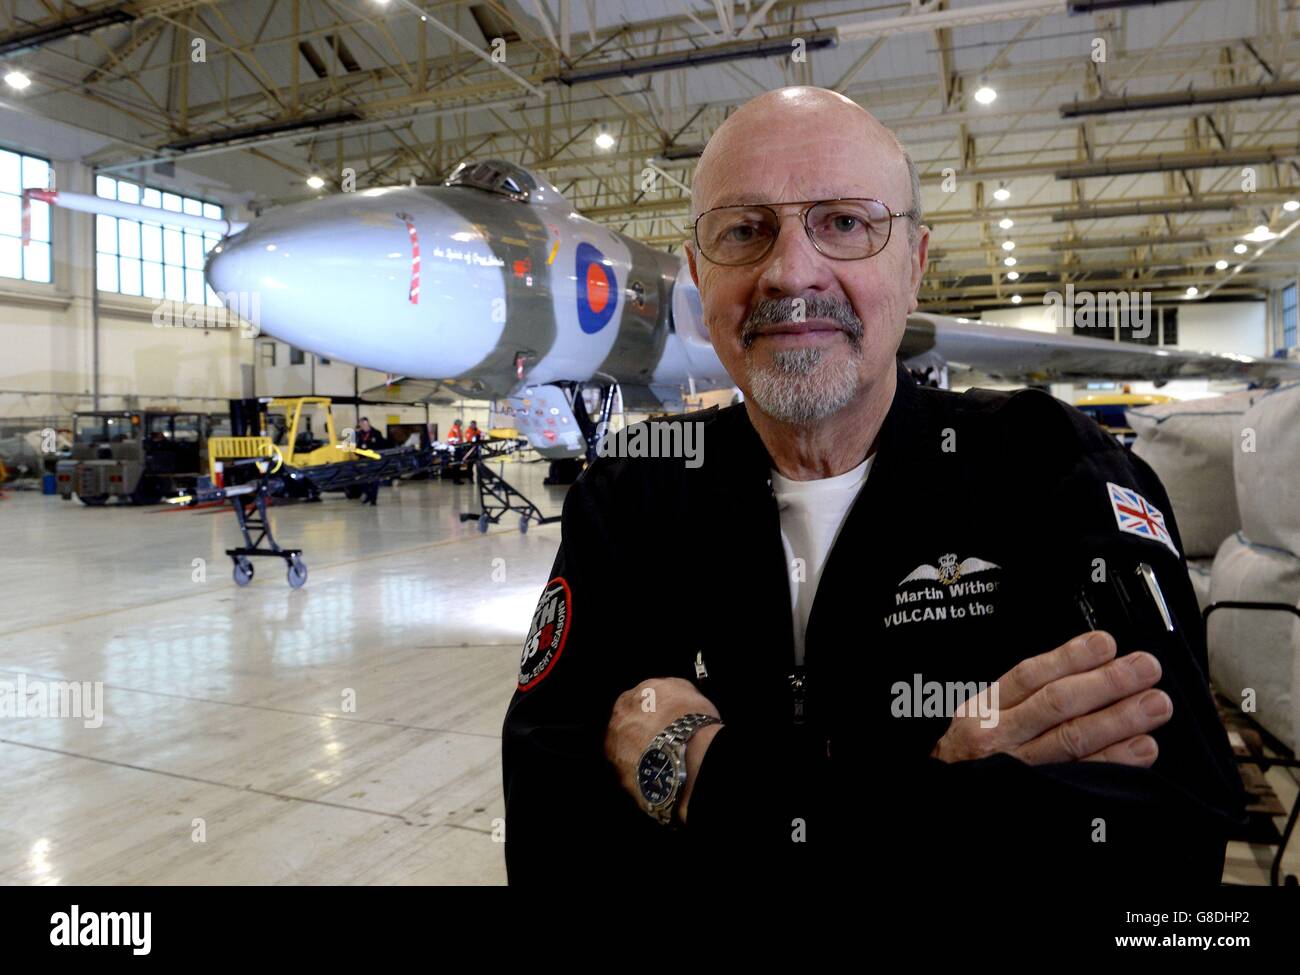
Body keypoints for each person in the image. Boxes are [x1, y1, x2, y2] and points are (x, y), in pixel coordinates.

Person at [501, 87, 1245, 886]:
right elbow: (553, 834)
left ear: (915, 263)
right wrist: (947, 793)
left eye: (845, 223)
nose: (791, 270)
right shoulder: (632, 497)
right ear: (696, 276)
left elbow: (1173, 844)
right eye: (744, 230)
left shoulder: (1051, 467)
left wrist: (703, 777)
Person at [355, 417, 387, 505]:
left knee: (374, 480)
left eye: (365, 424)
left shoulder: (376, 433)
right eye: (362, 425)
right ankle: (368, 495)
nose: (364, 426)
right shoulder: (358, 434)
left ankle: (373, 499)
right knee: (361, 480)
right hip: (363, 460)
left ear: (368, 423)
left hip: (374, 460)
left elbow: (382, 446)